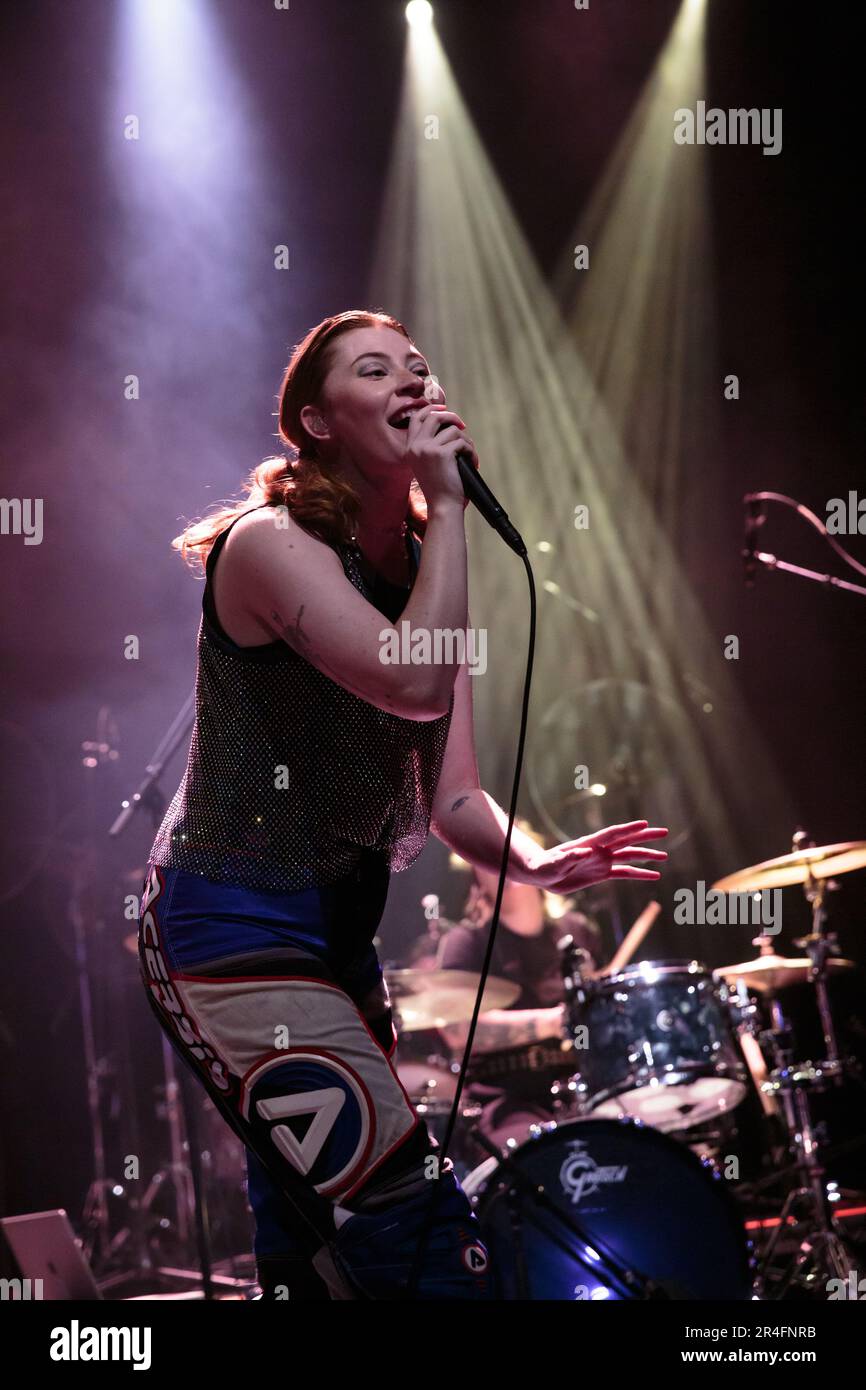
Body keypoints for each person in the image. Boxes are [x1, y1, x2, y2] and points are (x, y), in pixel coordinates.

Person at [137, 308, 668, 1301]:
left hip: (337, 934)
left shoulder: (430, 567)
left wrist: (536, 862)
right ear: (317, 420)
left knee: (302, 1236)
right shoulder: (267, 543)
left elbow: (455, 792)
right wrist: (450, 509)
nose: (411, 384)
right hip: (228, 924)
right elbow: (409, 683)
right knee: (405, 1209)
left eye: (417, 368)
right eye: (375, 370)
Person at [436, 836, 604, 1156]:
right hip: (505, 1099)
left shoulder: (577, 931)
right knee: (546, 1161)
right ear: (477, 877)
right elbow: (457, 1031)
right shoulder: (468, 943)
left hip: (583, 1088)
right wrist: (557, 1021)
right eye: (488, 861)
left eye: (510, 856)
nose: (501, 868)